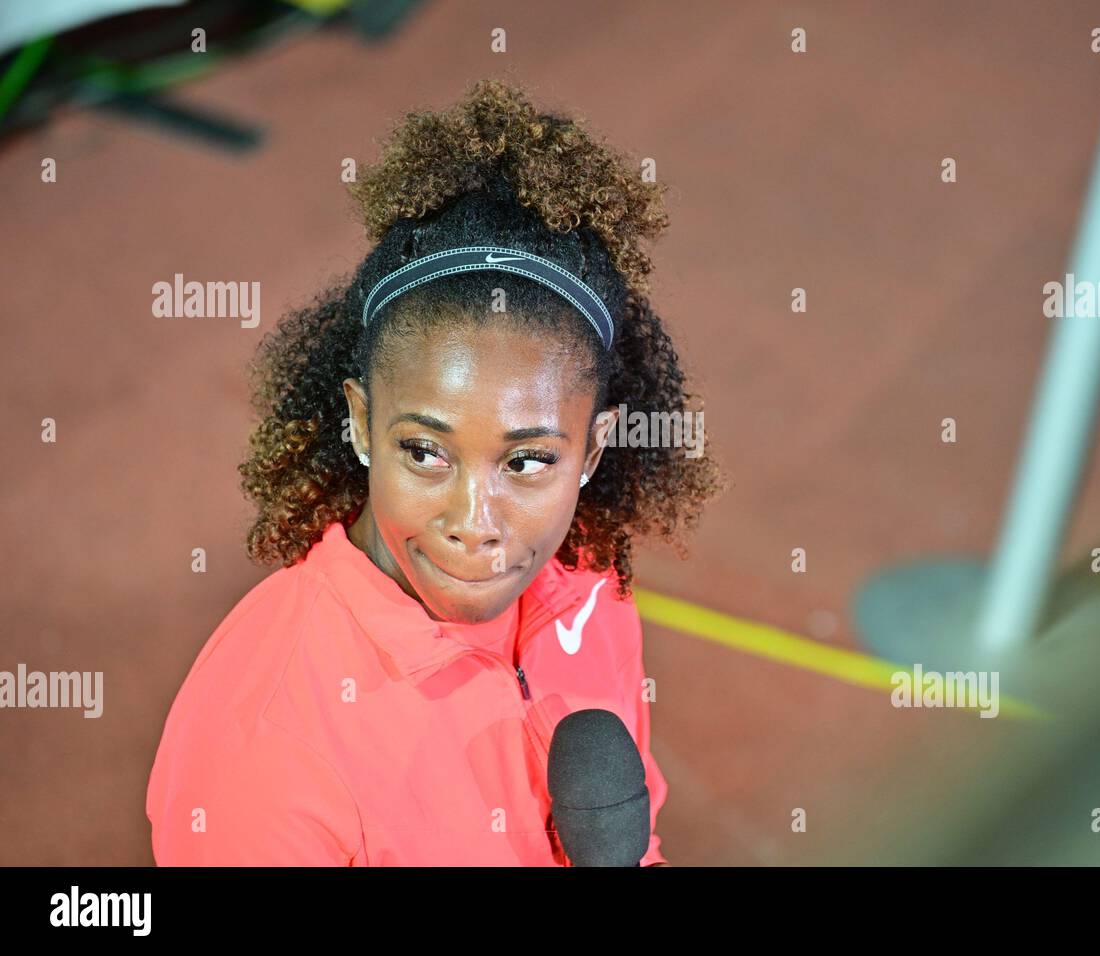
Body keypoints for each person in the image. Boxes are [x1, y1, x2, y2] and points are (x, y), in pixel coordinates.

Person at [145, 78, 726, 865]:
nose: (473, 521)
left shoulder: (587, 582)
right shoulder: (265, 744)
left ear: (591, 452)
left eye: (527, 461)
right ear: (361, 421)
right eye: (425, 451)